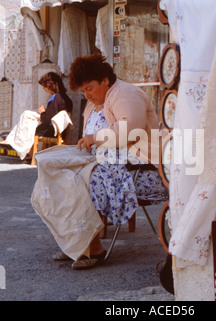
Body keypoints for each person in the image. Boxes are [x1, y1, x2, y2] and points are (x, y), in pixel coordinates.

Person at [32, 53, 168, 270]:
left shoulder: (126, 94)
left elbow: (130, 130)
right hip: (111, 161)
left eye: (89, 89)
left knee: (79, 178)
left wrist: (94, 138)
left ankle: (92, 247)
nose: (87, 95)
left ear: (105, 80)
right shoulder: (96, 103)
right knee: (50, 166)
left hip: (139, 167)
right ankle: (75, 243)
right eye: (83, 91)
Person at [3, 72, 73, 160]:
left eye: (45, 87)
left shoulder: (55, 98)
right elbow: (55, 115)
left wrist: (42, 112)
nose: (44, 89)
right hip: (62, 130)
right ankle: (14, 143)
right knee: (28, 117)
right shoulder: (66, 98)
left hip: (52, 131)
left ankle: (24, 151)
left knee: (29, 123)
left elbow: (47, 120)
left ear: (50, 86)